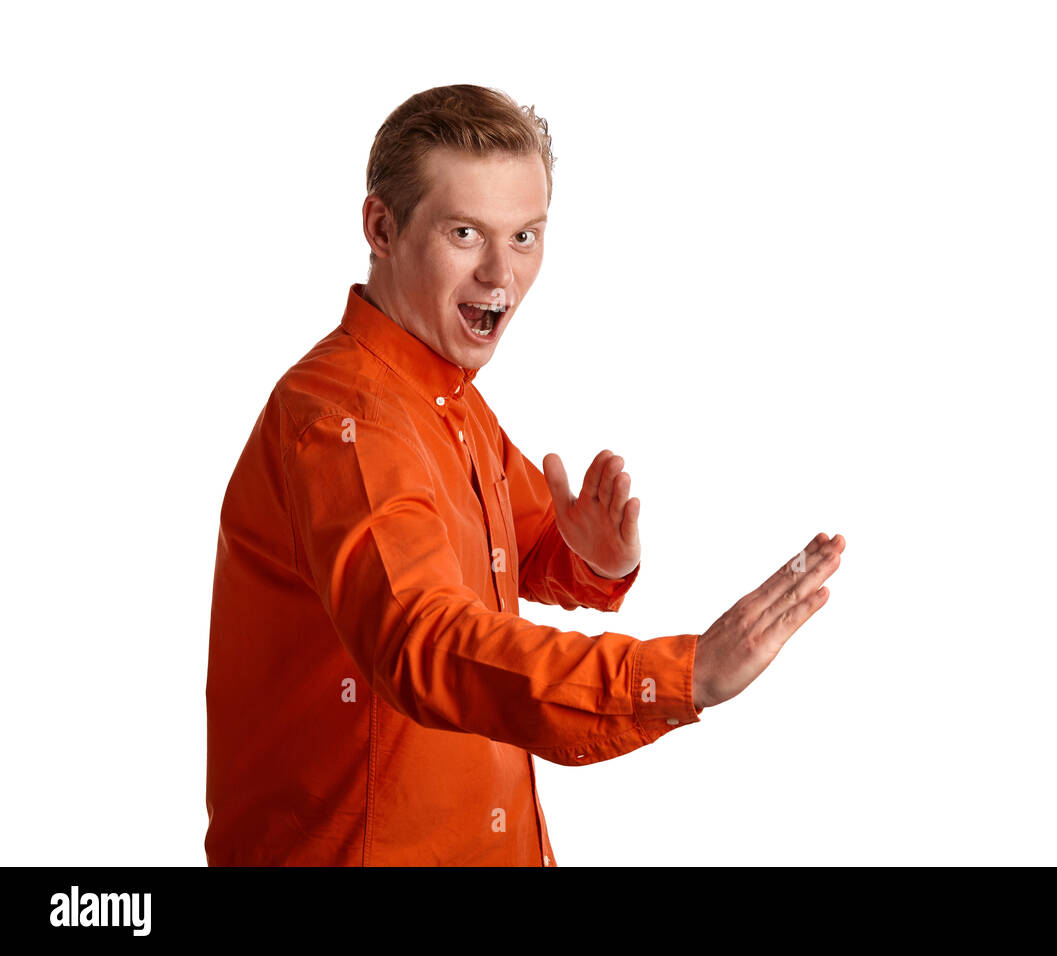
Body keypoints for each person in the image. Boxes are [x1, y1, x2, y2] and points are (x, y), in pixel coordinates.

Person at [205, 84, 846, 866]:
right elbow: (424, 640)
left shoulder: (443, 393)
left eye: (525, 236)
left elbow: (509, 540)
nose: (499, 273)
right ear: (381, 227)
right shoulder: (346, 418)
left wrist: (586, 562)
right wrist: (682, 676)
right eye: (466, 232)